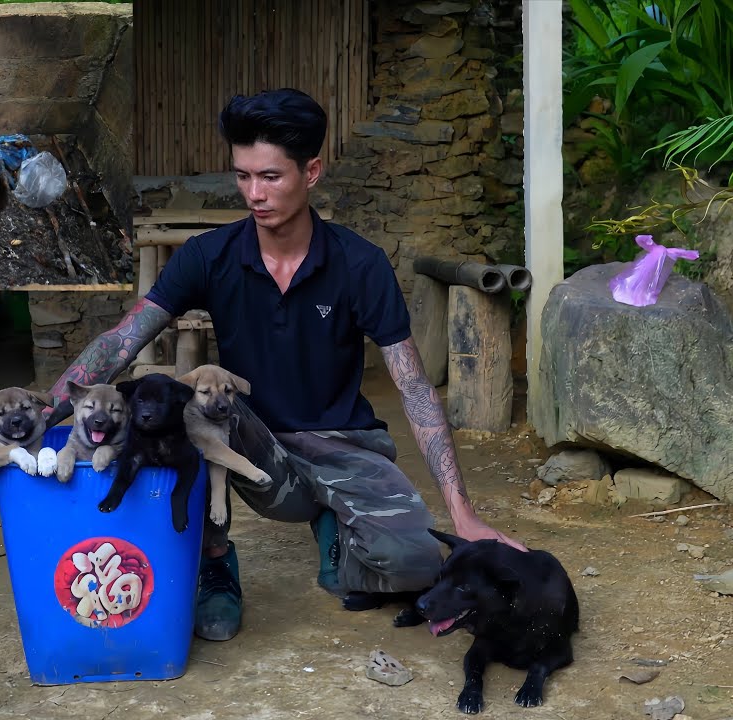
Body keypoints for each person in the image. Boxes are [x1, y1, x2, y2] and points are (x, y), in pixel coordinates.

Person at [44, 88, 526, 642]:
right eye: (243, 176)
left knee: (416, 565)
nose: (254, 193)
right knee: (180, 411)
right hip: (253, 441)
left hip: (346, 443)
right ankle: (216, 563)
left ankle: (337, 532)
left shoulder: (360, 264)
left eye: (270, 176)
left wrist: (461, 512)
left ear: (311, 171)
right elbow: (121, 342)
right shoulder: (209, 256)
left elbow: (414, 388)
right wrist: (47, 414)